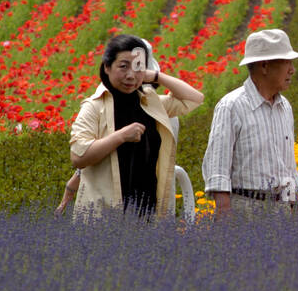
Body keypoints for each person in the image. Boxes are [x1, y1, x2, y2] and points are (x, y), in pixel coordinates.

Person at [69, 35, 204, 220]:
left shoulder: (149, 101)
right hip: (104, 218)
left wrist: (156, 76)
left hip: (147, 214)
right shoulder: (94, 107)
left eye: (138, 67)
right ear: (107, 67)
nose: (131, 75)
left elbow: (194, 99)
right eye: (123, 66)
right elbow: (78, 157)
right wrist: (120, 136)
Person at [202, 29, 298, 214]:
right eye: (286, 62)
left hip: (282, 211)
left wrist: (295, 208)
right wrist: (225, 217)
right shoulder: (231, 106)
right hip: (246, 210)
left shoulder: (285, 107)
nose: (292, 70)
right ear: (264, 66)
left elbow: (288, 166)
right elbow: (218, 169)